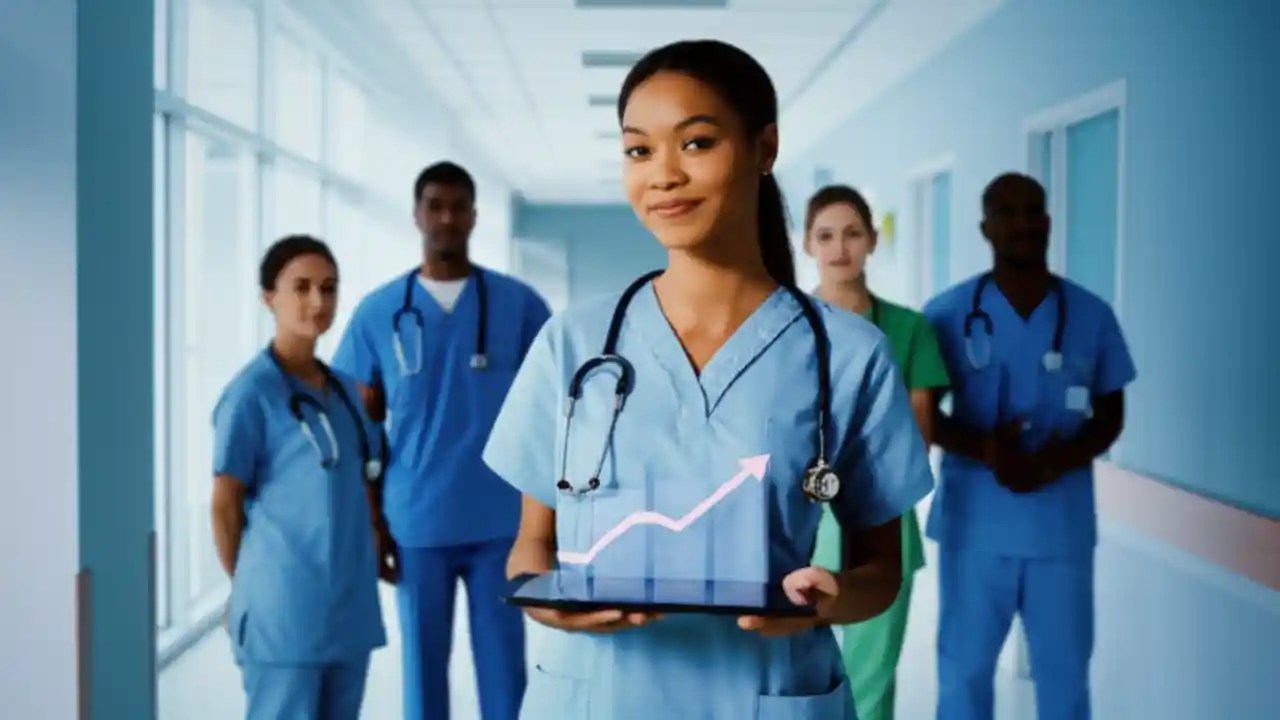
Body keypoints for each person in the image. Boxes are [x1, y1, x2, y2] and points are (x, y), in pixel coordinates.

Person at [481, 39, 934, 720]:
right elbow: (531, 549)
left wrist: (825, 600)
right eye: (639, 150)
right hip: (596, 696)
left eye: (695, 142)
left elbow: (881, 574)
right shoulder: (572, 345)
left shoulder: (849, 353)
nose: (662, 175)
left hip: (763, 688)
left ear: (764, 147)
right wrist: (550, 607)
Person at [332, 161, 551, 720]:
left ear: (475, 216)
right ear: (417, 213)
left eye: (459, 207)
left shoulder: (519, 305)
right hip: (416, 521)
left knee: (505, 669)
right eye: (435, 205)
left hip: (500, 522)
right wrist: (373, 521)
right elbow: (358, 429)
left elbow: (552, 411)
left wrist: (546, 522)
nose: (447, 218)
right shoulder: (379, 311)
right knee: (422, 670)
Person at [924, 173, 1135, 720]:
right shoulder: (946, 314)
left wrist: (1052, 463)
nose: (1021, 223)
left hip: (1058, 533)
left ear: (1047, 221)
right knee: (963, 678)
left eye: (1032, 211)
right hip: (975, 530)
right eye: (1006, 212)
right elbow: (923, 414)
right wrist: (987, 450)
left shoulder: (1091, 315)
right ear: (985, 227)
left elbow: (1110, 415)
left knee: (1064, 683)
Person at [211, 235, 387, 720]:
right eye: (301, 287)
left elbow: (361, 479)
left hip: (347, 608)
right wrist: (247, 584)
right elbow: (225, 501)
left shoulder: (346, 392)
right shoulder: (251, 394)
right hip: (282, 610)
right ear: (269, 296)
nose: (318, 301)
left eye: (329, 288)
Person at [804, 185, 949, 720]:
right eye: (825, 235)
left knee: (870, 685)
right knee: (792, 675)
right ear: (807, 245)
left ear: (871, 241)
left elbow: (916, 437)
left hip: (885, 517)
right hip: (798, 522)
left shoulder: (908, 330)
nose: (839, 248)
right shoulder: (783, 324)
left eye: (852, 233)